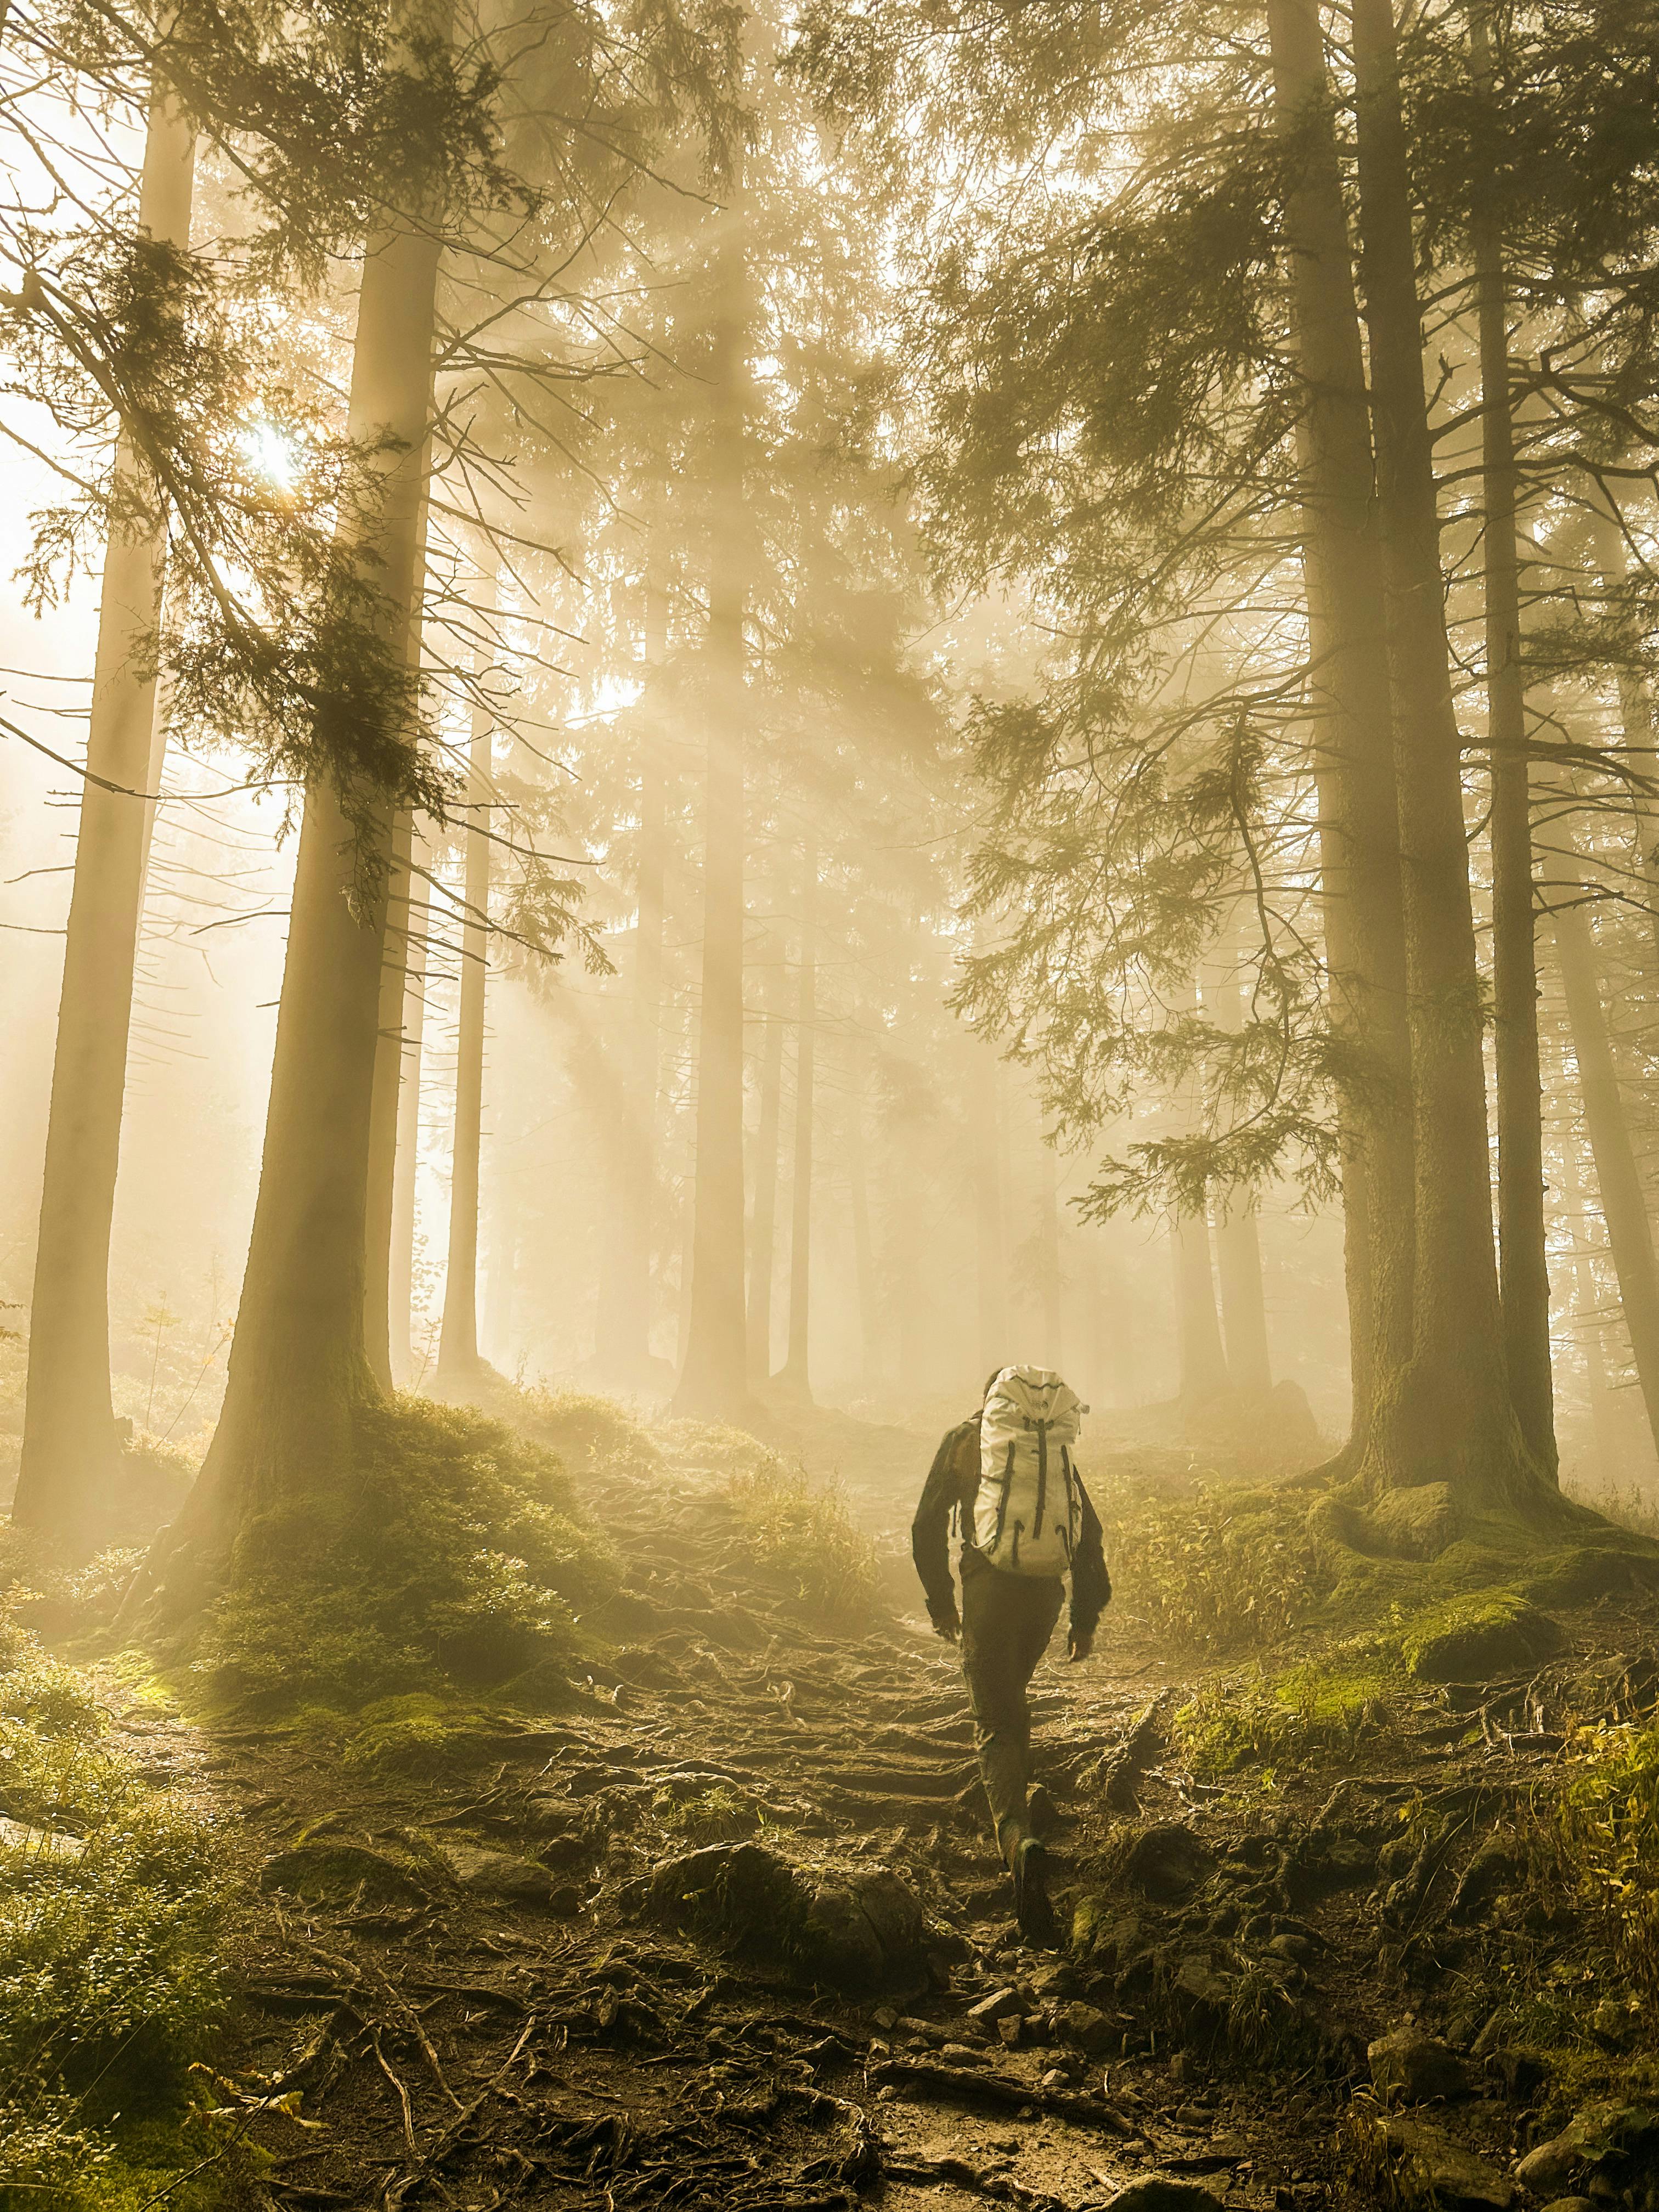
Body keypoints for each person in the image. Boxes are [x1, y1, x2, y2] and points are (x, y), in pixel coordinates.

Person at [911, 1367, 1111, 1944]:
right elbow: (1087, 1532)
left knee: (994, 1717)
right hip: (1045, 1595)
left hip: (988, 1589)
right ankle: (1019, 1795)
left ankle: (1015, 1839)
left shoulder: (967, 1441)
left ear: (991, 1401)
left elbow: (926, 1524)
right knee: (1010, 1695)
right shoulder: (1048, 1451)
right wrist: (1084, 1617)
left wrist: (940, 1603)